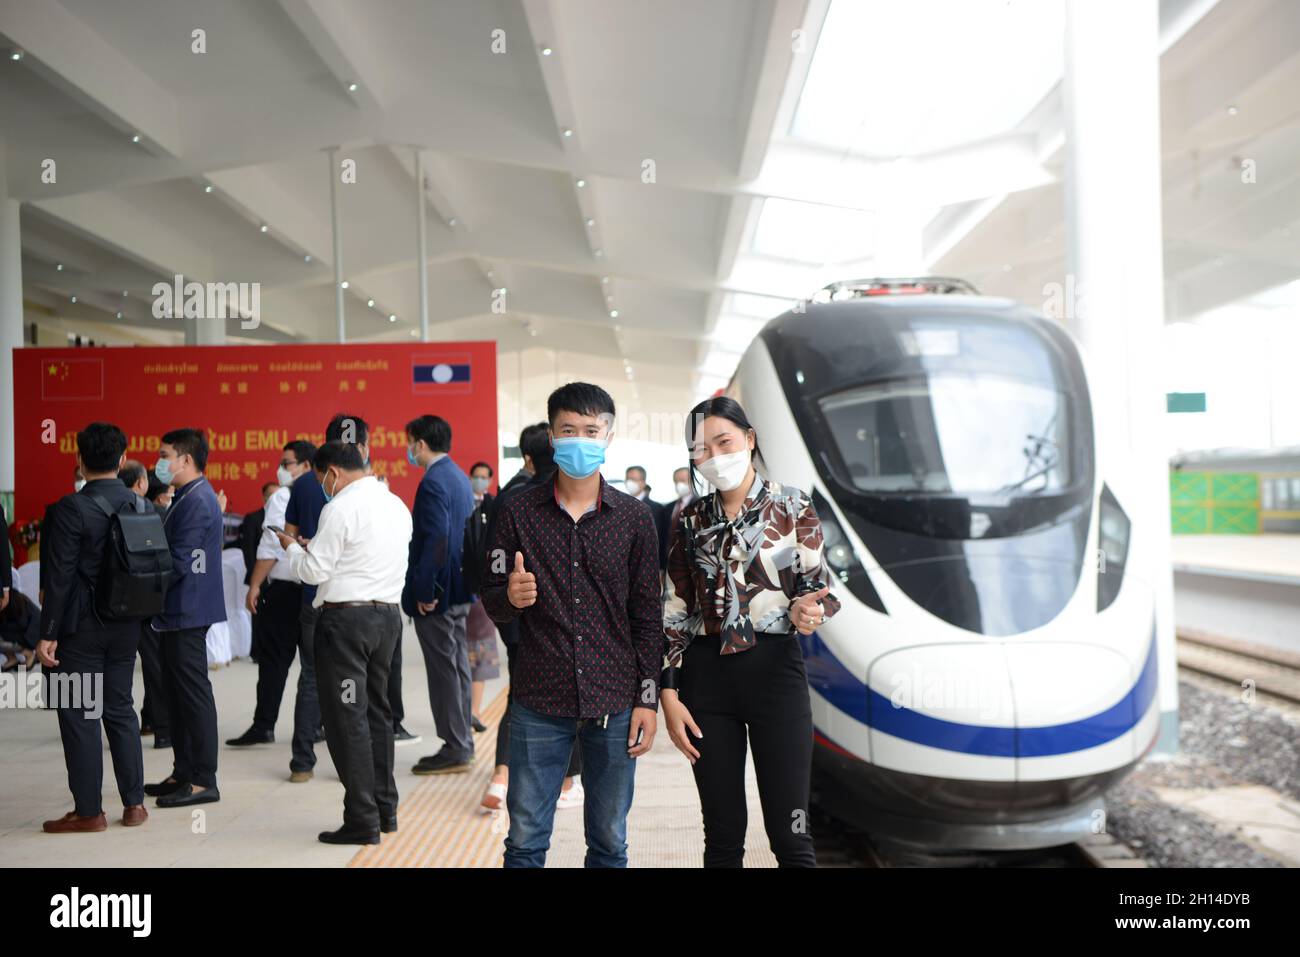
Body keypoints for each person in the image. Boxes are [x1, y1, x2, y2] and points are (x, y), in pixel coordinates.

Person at [482, 382, 661, 868]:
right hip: (539, 698)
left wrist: (648, 698)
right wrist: (510, 598)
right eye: (568, 429)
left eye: (590, 429)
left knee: (608, 841)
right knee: (524, 840)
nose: (579, 439)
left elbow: (648, 616)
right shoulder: (515, 511)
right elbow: (492, 595)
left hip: (615, 701)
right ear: (552, 436)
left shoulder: (635, 519)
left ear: (607, 435)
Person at [660, 396, 841, 868]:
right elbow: (675, 611)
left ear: (749, 439)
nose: (715, 455)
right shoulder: (690, 520)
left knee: (791, 835)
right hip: (706, 682)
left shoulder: (792, 505)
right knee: (722, 837)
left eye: (725, 441)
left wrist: (808, 611)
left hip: (776, 675)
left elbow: (817, 589)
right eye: (702, 448)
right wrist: (668, 693)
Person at [277, 440, 412, 844]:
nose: (323, 486)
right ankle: (385, 811)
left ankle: (361, 820)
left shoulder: (339, 508)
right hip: (387, 619)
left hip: (346, 625)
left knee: (346, 719)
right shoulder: (396, 505)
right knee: (378, 715)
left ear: (332, 472)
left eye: (321, 479)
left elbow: (315, 570)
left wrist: (291, 550)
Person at [35, 422, 148, 832]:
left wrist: (47, 632)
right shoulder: (142, 505)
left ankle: (89, 811)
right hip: (127, 625)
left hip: (79, 629)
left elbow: (60, 578)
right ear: (122, 460)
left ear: (80, 461)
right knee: (120, 709)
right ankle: (135, 805)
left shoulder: (70, 508)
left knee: (81, 714)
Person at [479, 425, 583, 814]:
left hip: (515, 623)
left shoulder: (509, 498)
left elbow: (488, 567)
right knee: (572, 696)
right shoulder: (563, 502)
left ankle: (502, 776)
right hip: (557, 628)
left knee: (520, 696)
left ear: (526, 458)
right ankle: (567, 781)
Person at [144, 428, 227, 808]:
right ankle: (184, 770)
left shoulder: (197, 501)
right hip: (177, 609)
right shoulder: (189, 496)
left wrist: (141, 584)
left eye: (165, 455)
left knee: (192, 694)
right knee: (177, 695)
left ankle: (203, 779)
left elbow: (180, 560)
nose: (160, 462)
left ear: (186, 460)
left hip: (187, 610)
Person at [226, 441, 315, 748]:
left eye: (287, 463)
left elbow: (270, 547)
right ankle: (315, 727)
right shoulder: (326, 495)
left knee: (273, 661)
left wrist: (254, 585)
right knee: (314, 667)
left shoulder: (283, 497)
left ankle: (264, 724)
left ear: (305, 465)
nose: (281, 469)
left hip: (283, 592)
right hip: (315, 591)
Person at [403, 415, 477, 775]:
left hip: (440, 593)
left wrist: (425, 590)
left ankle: (456, 745)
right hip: (460, 589)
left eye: (410, 442)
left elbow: (436, 539)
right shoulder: (458, 476)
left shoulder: (433, 481)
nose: (409, 449)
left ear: (420, 443)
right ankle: (461, 739)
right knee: (457, 666)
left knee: (444, 670)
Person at [119, 461, 170, 747]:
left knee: (120, 666)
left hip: (116, 601)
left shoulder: (105, 509)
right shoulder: (158, 513)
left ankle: (144, 721)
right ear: (141, 484)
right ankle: (161, 727)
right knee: (154, 664)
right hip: (149, 599)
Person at [465, 460, 499, 733]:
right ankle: (464, 709)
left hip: (483, 593)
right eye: (475, 476)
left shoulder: (495, 507)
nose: (479, 481)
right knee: (462, 654)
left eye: (483, 477)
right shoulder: (463, 504)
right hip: (462, 591)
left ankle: (474, 710)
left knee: (482, 654)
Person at [624, 465, 671, 571]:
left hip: (648, 565)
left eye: (634, 479)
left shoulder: (656, 508)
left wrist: (661, 567)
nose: (630, 482)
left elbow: (662, 539)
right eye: (628, 479)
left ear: (643, 482)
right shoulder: (621, 506)